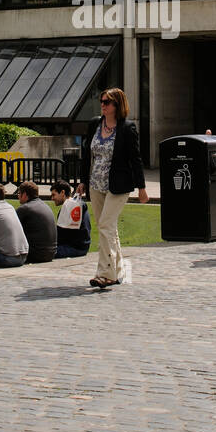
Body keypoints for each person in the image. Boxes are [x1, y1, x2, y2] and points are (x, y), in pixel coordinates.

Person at [78, 88, 148, 288]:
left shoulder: (127, 128)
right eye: (102, 101)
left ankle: (104, 273)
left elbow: (136, 159)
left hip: (118, 185)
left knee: (106, 226)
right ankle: (118, 271)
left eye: (107, 102)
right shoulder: (94, 124)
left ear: (117, 105)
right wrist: (83, 181)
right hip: (95, 184)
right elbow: (86, 155)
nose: (103, 105)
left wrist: (141, 187)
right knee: (108, 228)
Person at [15, 181, 58, 263]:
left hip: (35, 254)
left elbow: (9, 227)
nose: (18, 196)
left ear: (24, 194)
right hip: (51, 253)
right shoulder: (45, 206)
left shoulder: (25, 208)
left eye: (19, 193)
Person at [50, 180, 91, 259]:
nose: (52, 198)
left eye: (53, 195)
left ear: (62, 192)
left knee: (43, 252)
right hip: (80, 246)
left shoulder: (70, 207)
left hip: (75, 248)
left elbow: (61, 235)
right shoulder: (75, 205)